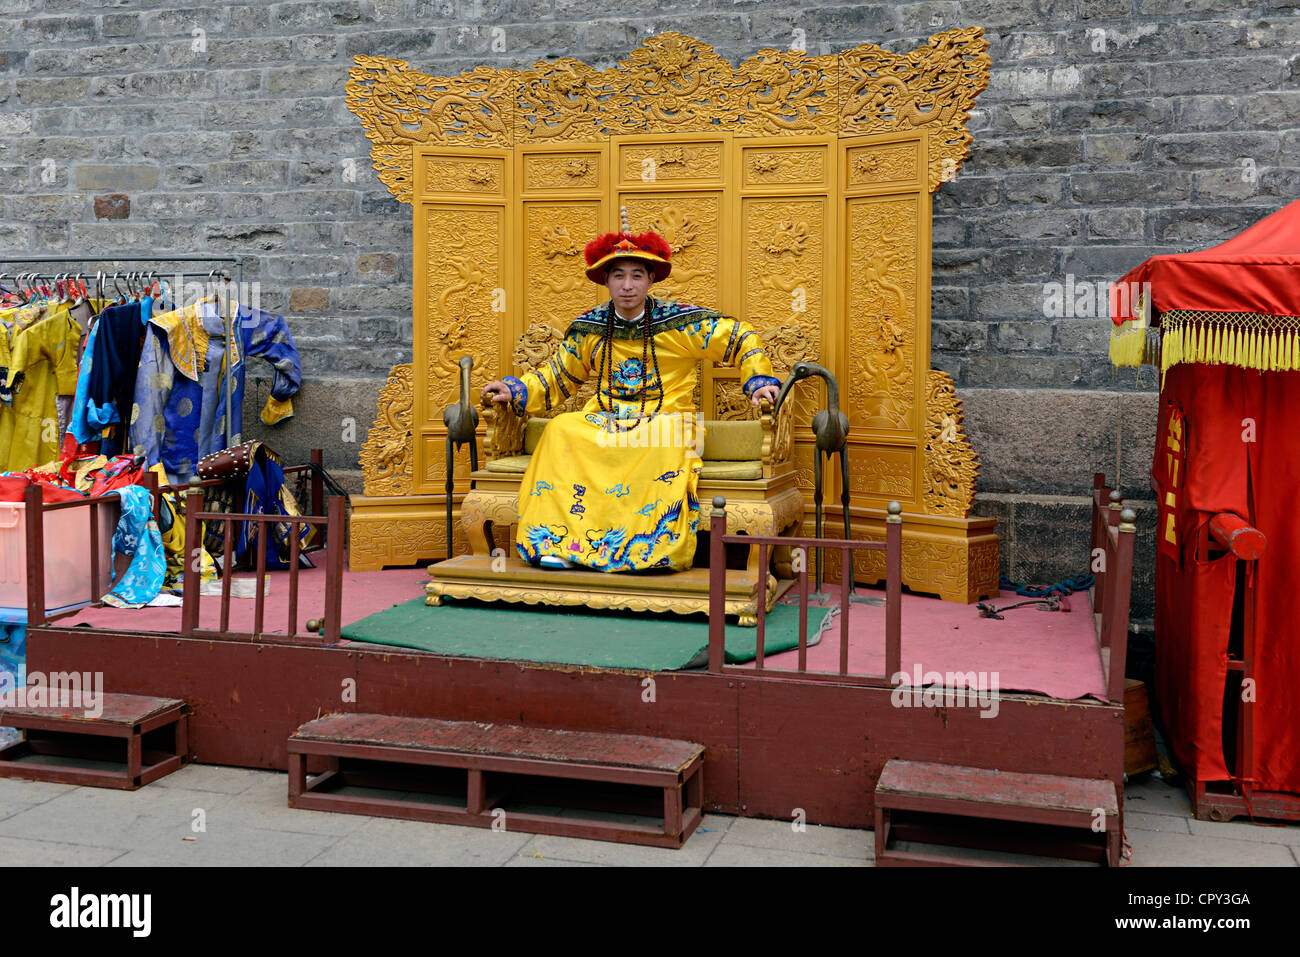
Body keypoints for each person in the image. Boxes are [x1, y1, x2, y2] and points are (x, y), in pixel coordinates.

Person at [482, 228, 781, 572]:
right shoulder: (589, 328)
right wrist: (516, 390)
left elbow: (742, 337)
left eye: (636, 276)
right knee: (561, 428)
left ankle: (650, 552)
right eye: (619, 276)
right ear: (605, 280)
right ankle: (560, 543)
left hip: (670, 420)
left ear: (651, 279)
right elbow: (558, 377)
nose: (627, 285)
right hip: (607, 421)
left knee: (666, 437)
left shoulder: (681, 323)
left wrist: (758, 380)